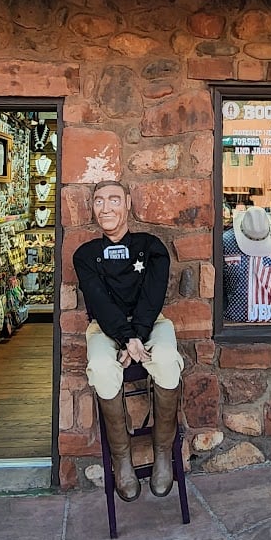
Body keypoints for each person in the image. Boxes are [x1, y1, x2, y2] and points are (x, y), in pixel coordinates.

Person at [73, 180, 183, 501]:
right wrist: (125, 337)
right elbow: (99, 301)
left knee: (164, 359)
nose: (106, 208)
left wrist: (137, 335)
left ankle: (163, 453)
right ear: (92, 208)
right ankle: (122, 461)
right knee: (102, 367)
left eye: (114, 200)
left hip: (151, 323)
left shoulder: (151, 247)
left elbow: (153, 295)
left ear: (128, 203)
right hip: (105, 329)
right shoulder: (86, 255)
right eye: (99, 201)